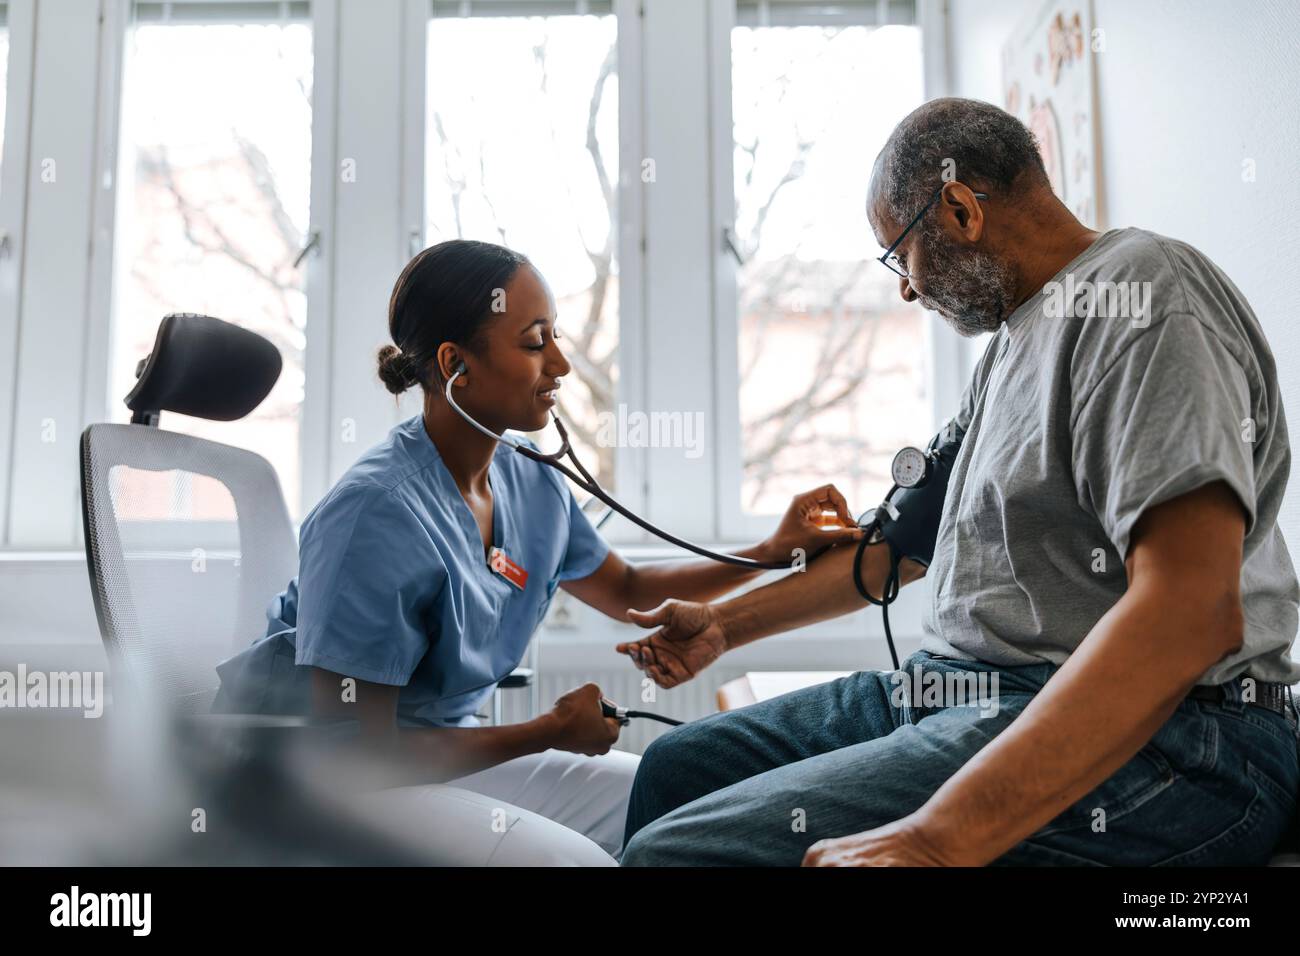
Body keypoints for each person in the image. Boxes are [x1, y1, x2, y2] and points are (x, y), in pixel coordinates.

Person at [616, 97, 1300, 867]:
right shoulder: (1012, 343)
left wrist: (936, 841)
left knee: (681, 856)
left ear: (960, 209)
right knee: (677, 772)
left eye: (898, 255)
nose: (905, 290)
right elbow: (898, 548)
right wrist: (723, 627)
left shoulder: (1141, 298)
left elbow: (1191, 613)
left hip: (1183, 742)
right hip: (955, 693)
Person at [212, 238, 860, 863]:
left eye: (555, 337)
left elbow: (627, 589)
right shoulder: (374, 514)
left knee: (684, 806)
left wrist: (773, 551)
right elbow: (362, 754)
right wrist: (549, 730)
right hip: (325, 782)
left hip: (439, 760)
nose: (561, 365)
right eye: (533, 343)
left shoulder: (530, 478)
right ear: (454, 365)